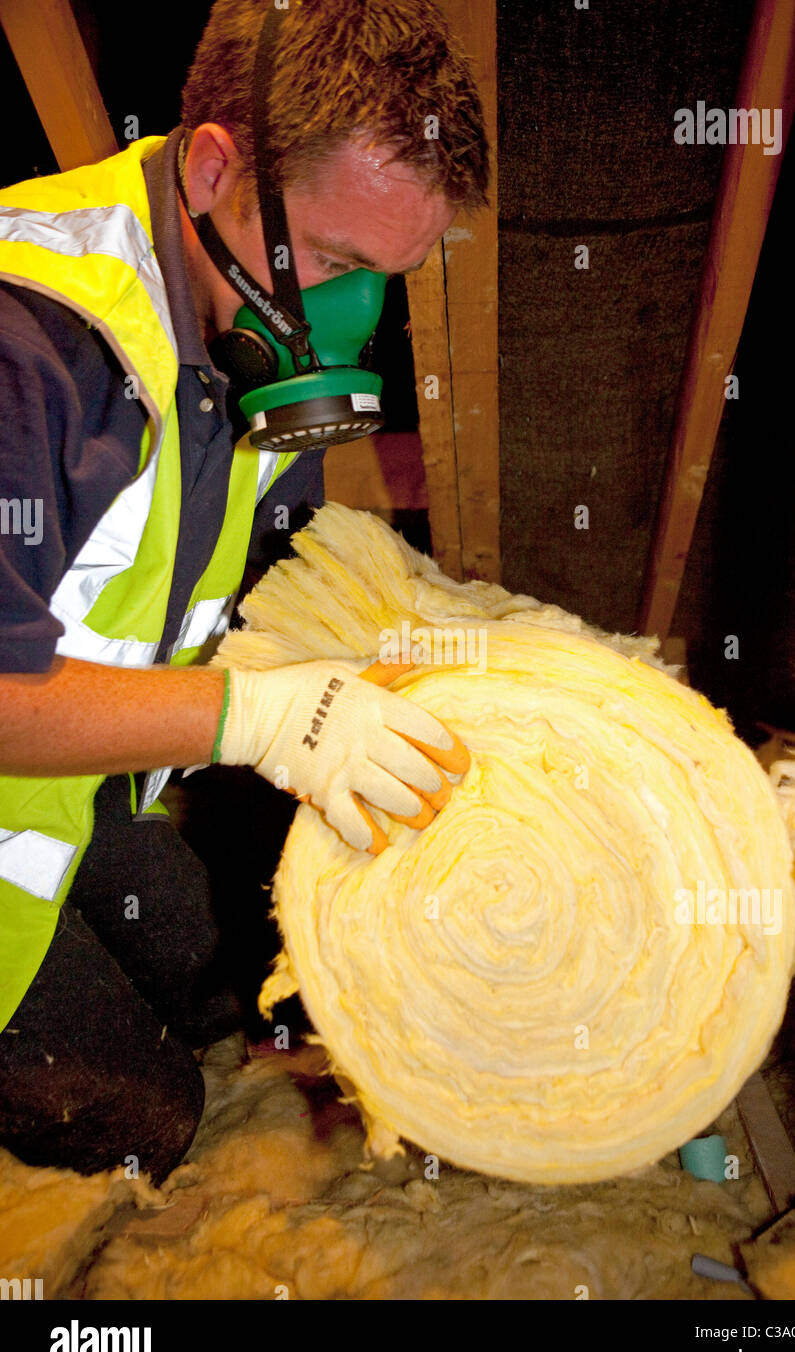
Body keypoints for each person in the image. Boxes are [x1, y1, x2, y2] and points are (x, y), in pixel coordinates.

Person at [0, 0, 488, 1184]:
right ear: (213, 167)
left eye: (388, 279)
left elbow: (280, 578)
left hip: (88, 774)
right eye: (334, 264)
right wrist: (265, 719)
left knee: (231, 987)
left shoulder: (251, 323)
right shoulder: (31, 347)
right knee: (148, 1115)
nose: (351, 317)